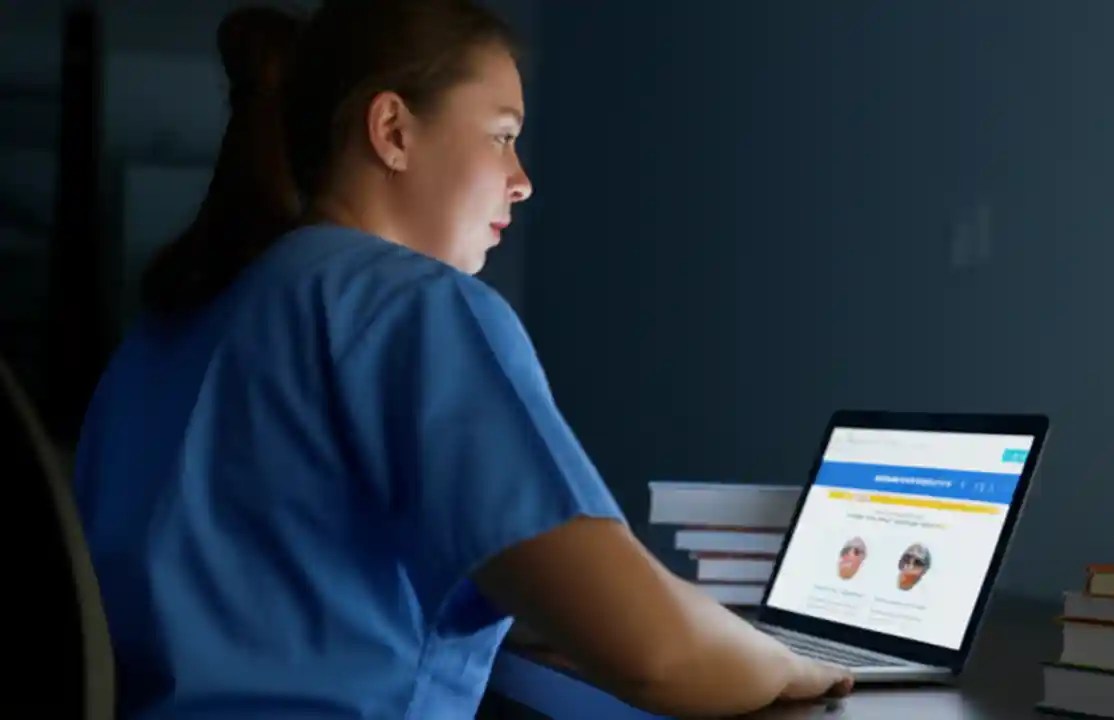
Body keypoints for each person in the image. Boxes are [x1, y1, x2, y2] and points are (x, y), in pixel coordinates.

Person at [72, 1, 855, 718]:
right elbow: (659, 655)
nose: (522, 181)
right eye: (502, 136)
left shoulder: (173, 327)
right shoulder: (411, 306)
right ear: (394, 132)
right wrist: (784, 663)